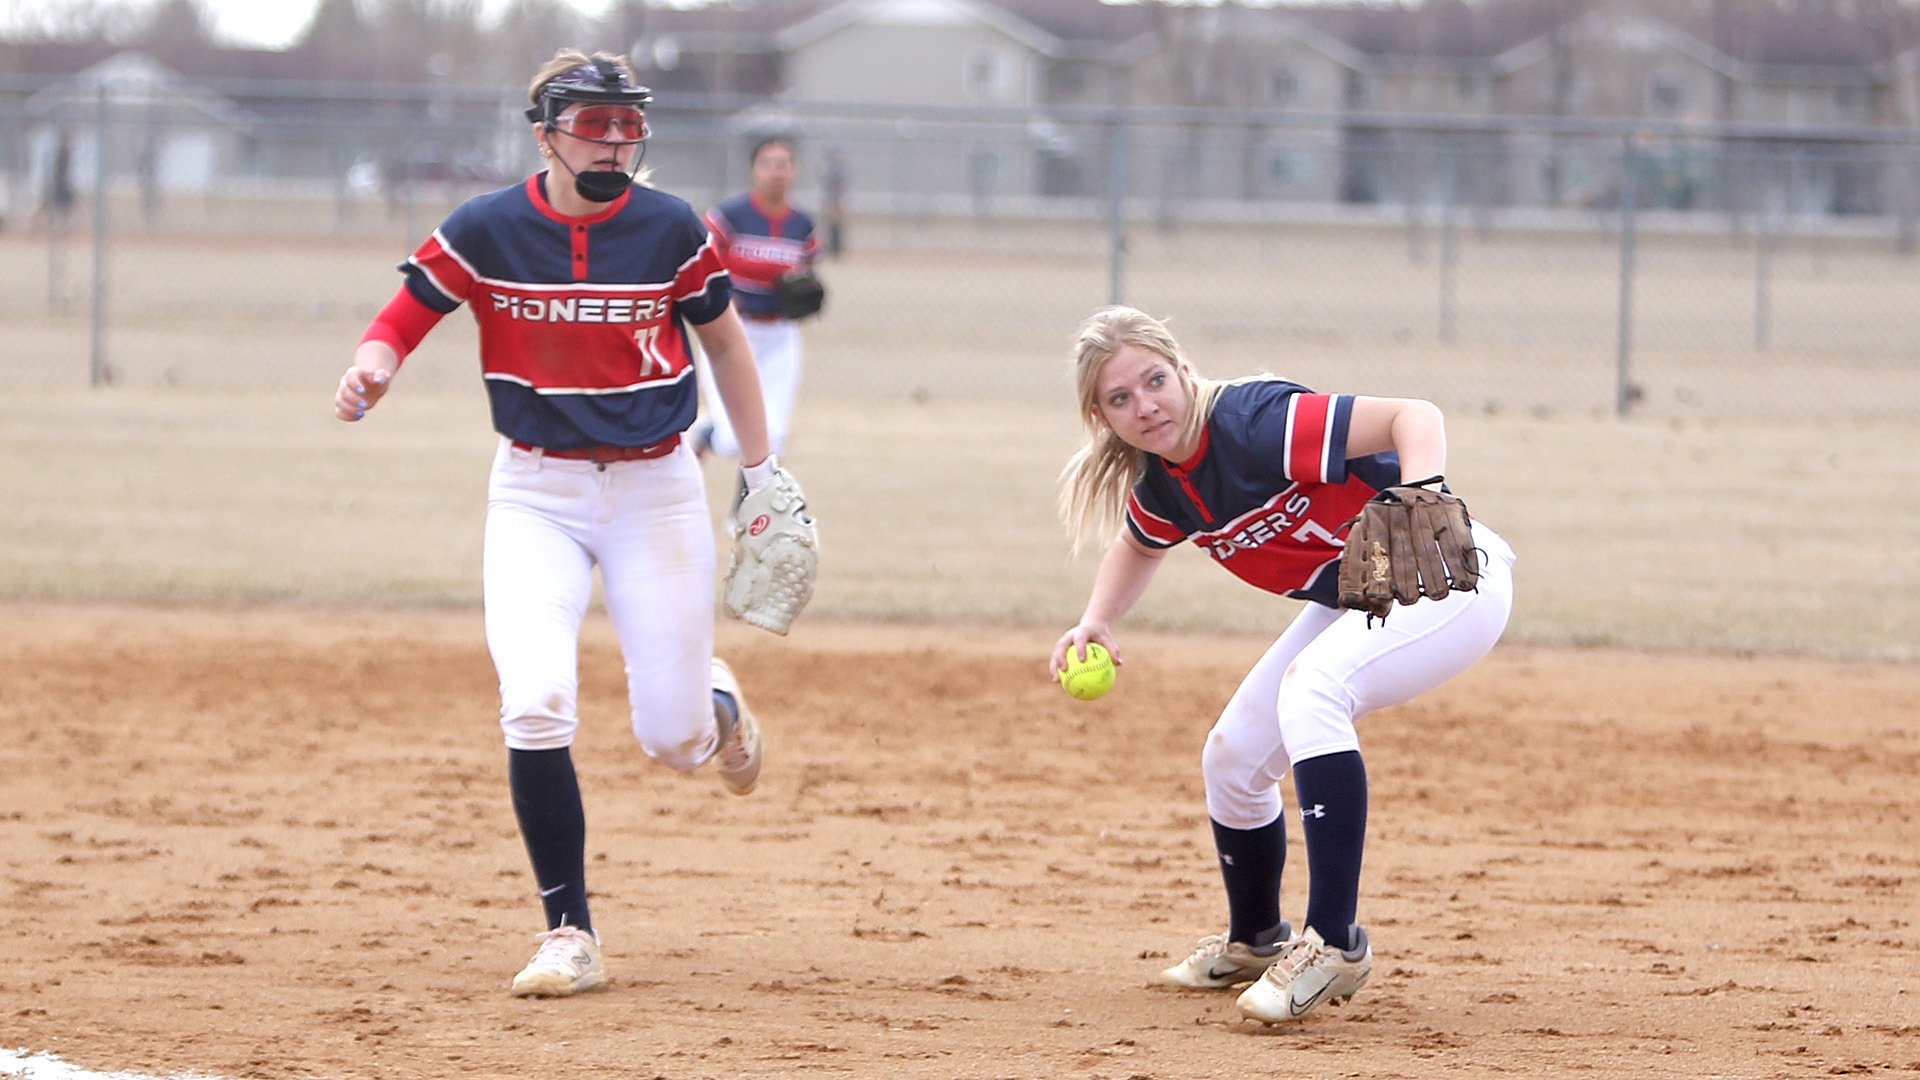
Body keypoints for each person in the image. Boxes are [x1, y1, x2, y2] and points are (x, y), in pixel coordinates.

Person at [332, 48, 801, 1000]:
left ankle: (711, 706)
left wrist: (760, 472)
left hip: (655, 490)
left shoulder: (671, 229)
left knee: (670, 741)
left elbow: (726, 344)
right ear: (543, 130)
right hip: (535, 493)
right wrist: (373, 363)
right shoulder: (488, 227)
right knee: (535, 700)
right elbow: (405, 313)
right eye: (593, 121)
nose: (615, 139)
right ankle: (568, 931)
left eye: (628, 122)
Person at [1049, 306, 1515, 1024]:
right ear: (1101, 415)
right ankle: (1259, 939)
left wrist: (1423, 492)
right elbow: (1141, 545)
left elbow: (1414, 417)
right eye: (1120, 398)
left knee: (1314, 691)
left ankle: (1335, 943)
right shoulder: (1171, 483)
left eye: (1154, 380)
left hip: (1447, 580)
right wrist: (1097, 620)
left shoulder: (1255, 423)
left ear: (1184, 371)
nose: (1145, 405)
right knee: (1232, 757)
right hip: (1362, 595)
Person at [694, 134, 820, 459]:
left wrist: (806, 291)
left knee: (772, 440)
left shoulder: (802, 224)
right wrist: (725, 294)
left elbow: (806, 270)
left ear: (795, 172)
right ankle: (706, 433)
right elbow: (703, 263)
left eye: (784, 164)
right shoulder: (730, 216)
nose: (776, 172)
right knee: (730, 442)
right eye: (768, 164)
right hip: (732, 332)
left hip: (779, 334)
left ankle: (749, 512)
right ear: (754, 170)